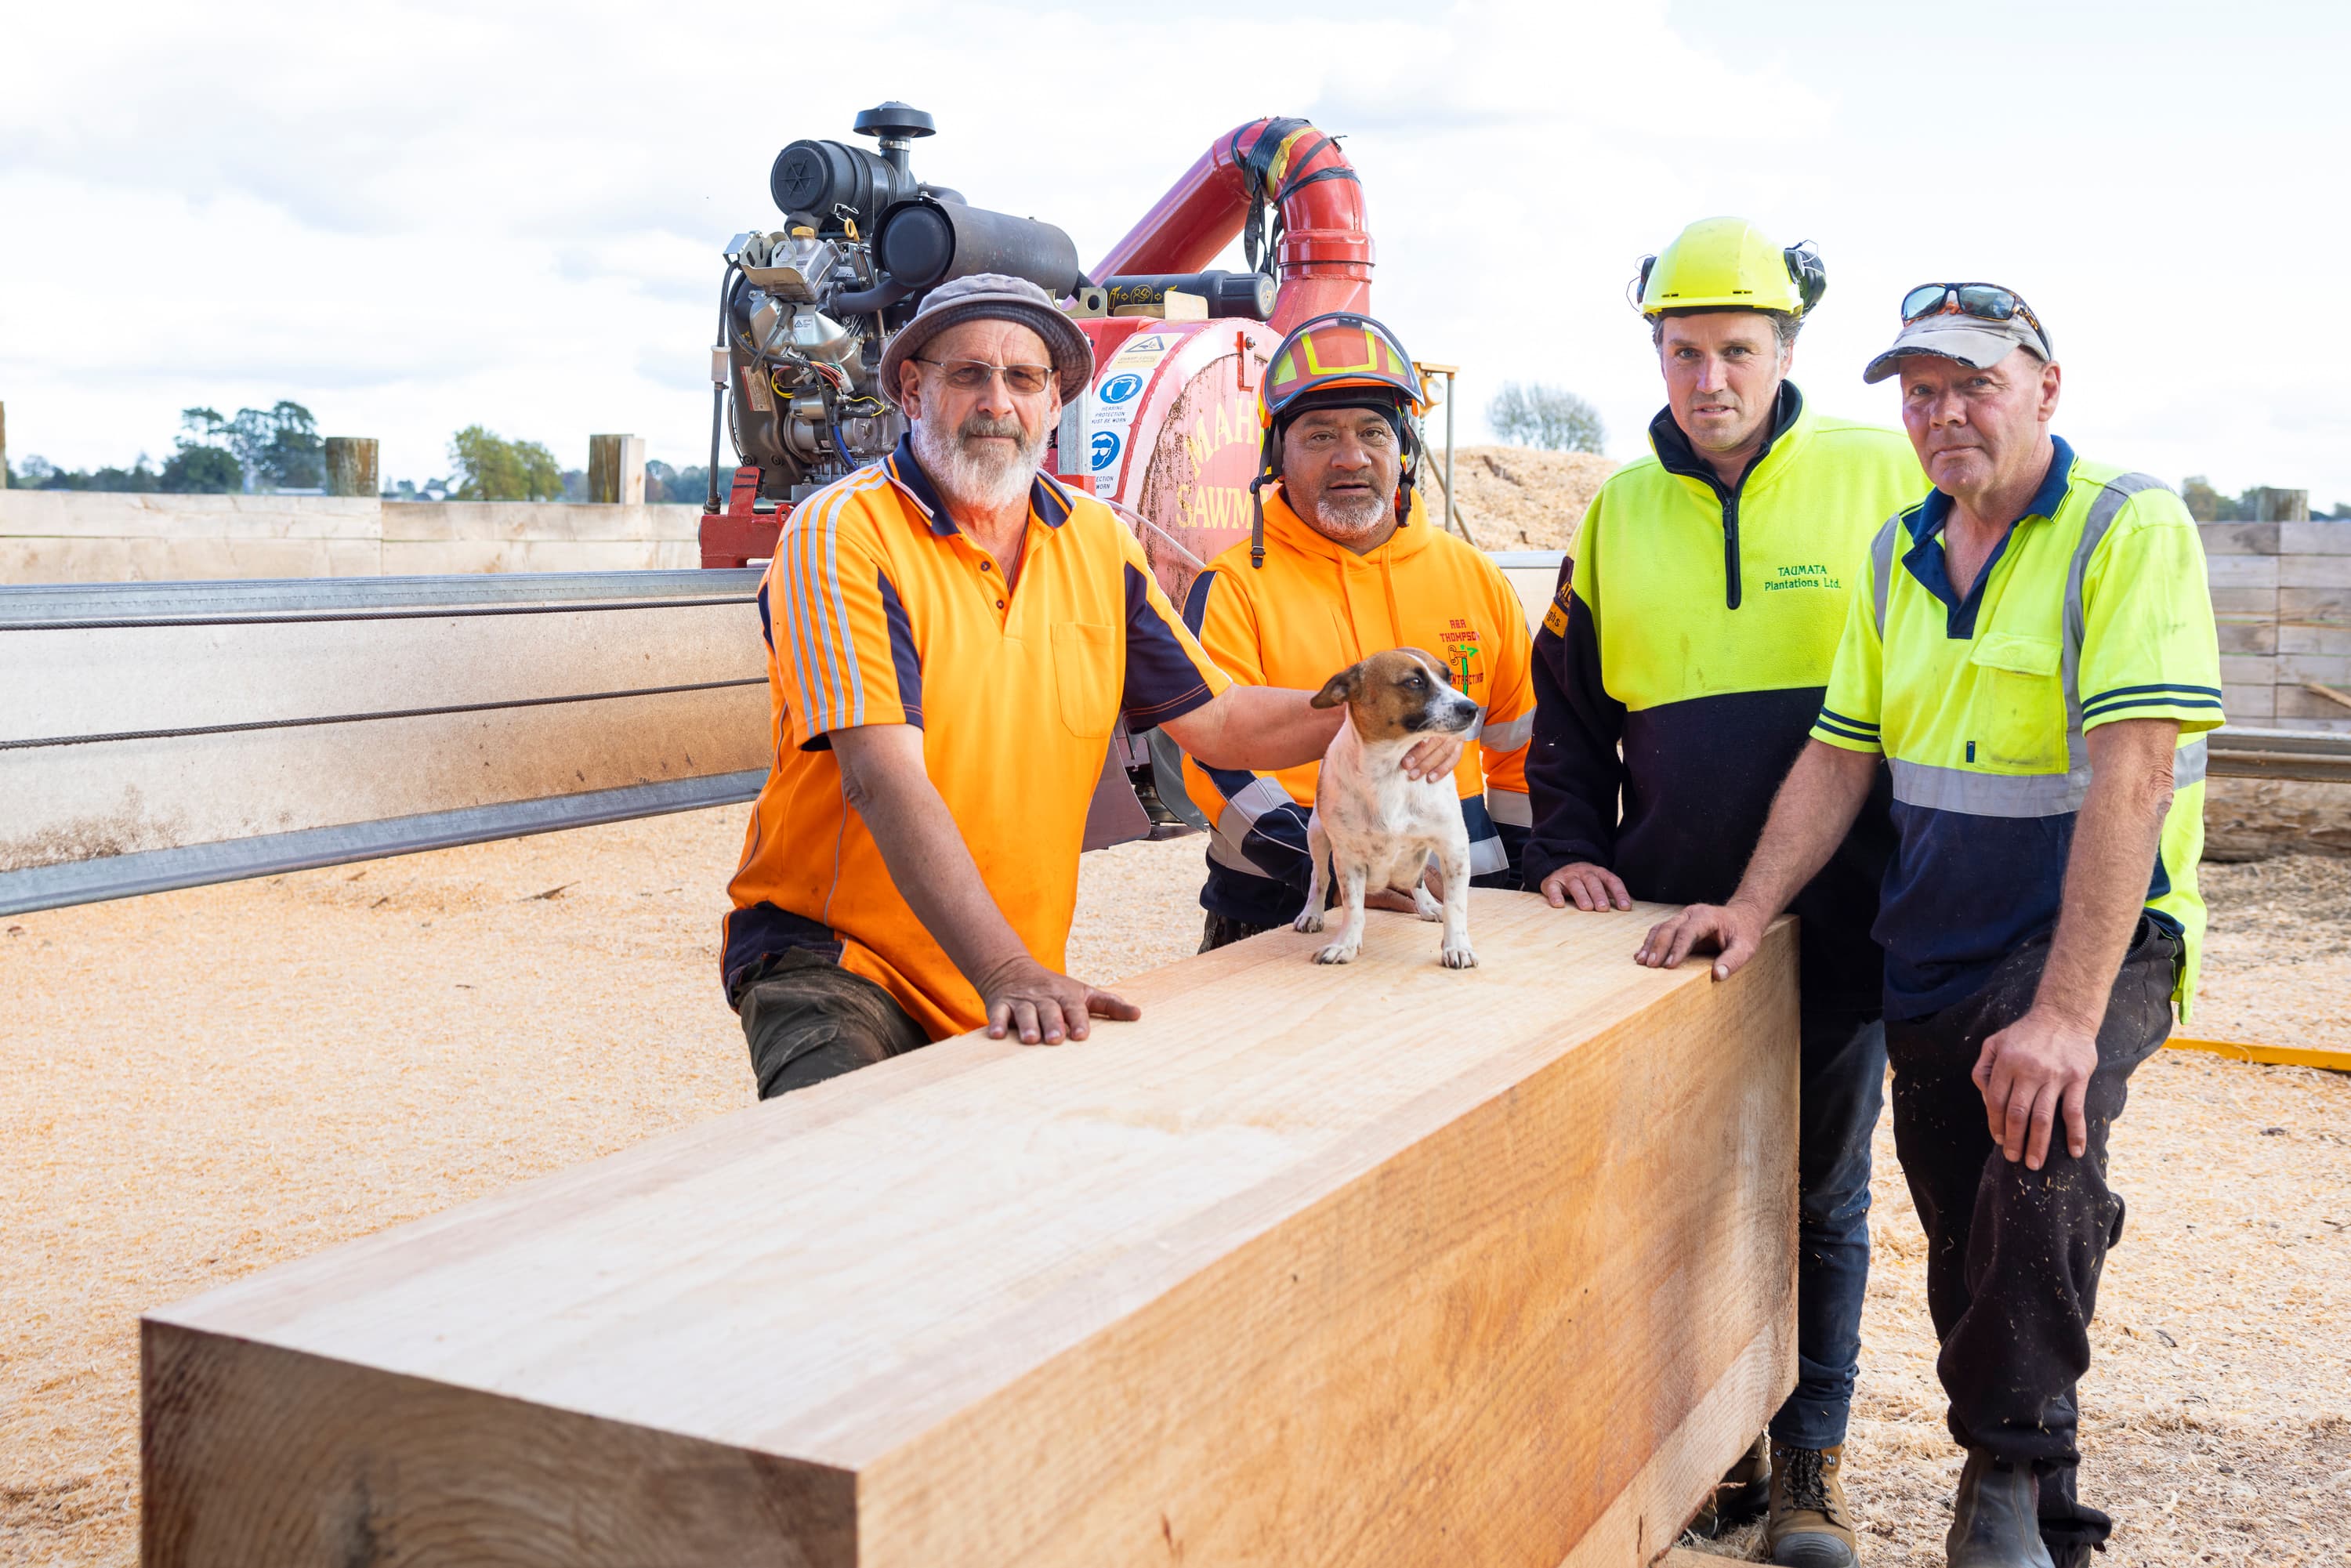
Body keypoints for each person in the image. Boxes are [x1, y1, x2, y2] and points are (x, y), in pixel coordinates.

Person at [1641, 283, 2220, 1568]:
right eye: (1919, 392)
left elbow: (2134, 772)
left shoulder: (2126, 525)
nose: (1944, 413)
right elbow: (1842, 756)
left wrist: (2069, 1015)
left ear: (2045, 389)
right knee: (1971, 1230)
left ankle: (2001, 1486)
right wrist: (1747, 903)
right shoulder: (1901, 549)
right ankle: (2047, 1503)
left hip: (2092, 938)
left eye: (1975, 384)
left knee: (2040, 1158)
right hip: (1936, 940)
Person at [720, 273, 1462, 1098]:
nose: (996, 402)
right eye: (967, 375)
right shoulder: (844, 534)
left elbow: (1220, 721)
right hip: (843, 961)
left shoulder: (1097, 545)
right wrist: (1008, 967)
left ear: (1056, 403)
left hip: (1009, 971)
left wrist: (1385, 716)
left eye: (1024, 379)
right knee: (833, 1170)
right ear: (910, 387)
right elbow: (880, 775)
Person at [1520, 218, 1925, 1566]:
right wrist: (1566, 844)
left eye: (1736, 349)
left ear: (1787, 349)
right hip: (1664, 921)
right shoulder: (1617, 509)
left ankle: (1809, 1467)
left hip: (1846, 917)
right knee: (1675, 1192)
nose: (1708, 378)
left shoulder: (1880, 475)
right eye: (1682, 350)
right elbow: (1566, 710)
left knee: (1819, 1191)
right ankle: (1717, 1449)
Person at [1176, 311, 1534, 948]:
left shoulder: (1475, 578)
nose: (1351, 457)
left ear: (1405, 451)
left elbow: (1522, 754)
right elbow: (1216, 766)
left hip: (1460, 913)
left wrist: (1529, 877)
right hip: (1281, 918)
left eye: (1373, 431)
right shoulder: (1233, 586)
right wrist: (1340, 874)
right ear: (1275, 455)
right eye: (1318, 436)